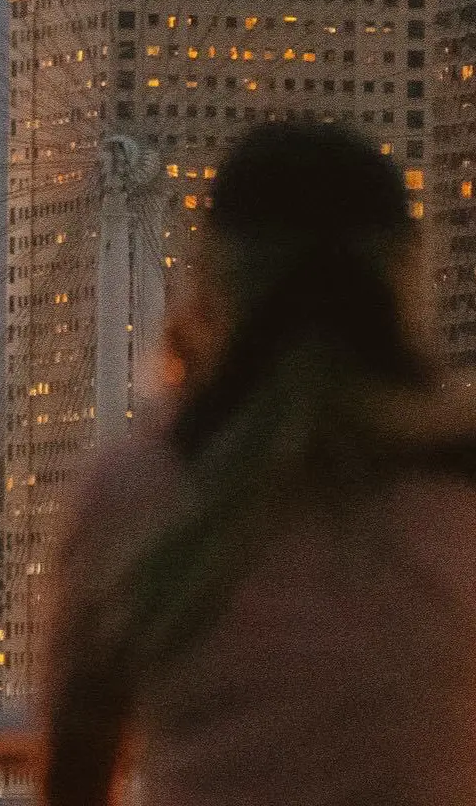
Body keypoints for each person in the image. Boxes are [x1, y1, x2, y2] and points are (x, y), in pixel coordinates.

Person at [43, 121, 476, 806]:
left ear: (210, 277)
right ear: (409, 277)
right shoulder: (457, 491)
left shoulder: (136, 492)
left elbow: (75, 774)